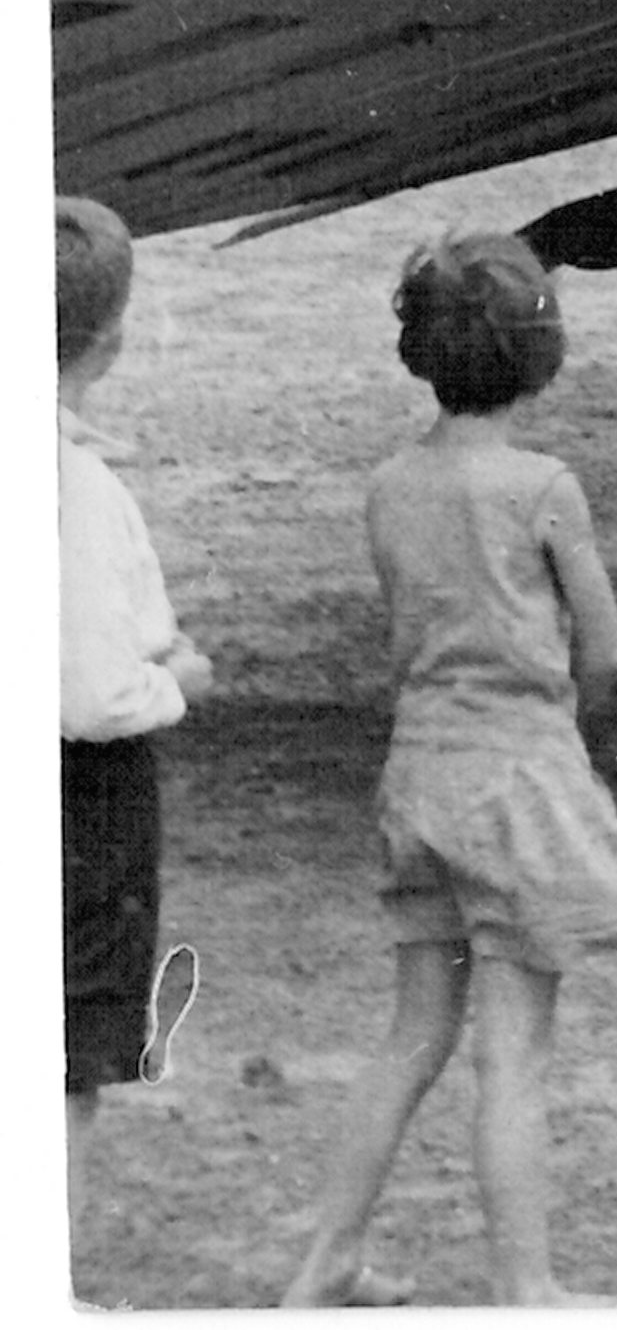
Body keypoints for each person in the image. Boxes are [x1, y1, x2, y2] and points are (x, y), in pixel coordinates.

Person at [282, 235, 617, 1310]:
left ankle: (325, 1260)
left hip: (420, 772)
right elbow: (606, 649)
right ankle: (527, 1291)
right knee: (515, 1054)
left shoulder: (390, 484)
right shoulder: (545, 487)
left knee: (412, 1033)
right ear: (541, 356)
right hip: (516, 779)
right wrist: (561, 724)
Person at [59, 197, 211, 1246]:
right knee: (63, 1064)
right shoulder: (76, 488)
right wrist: (176, 679)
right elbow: (93, 694)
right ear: (109, 342)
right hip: (77, 797)